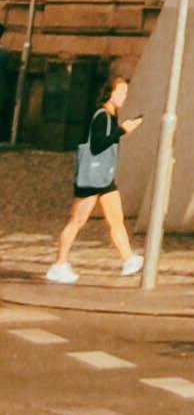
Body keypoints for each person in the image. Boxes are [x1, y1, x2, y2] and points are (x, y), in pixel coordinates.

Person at [47, 67, 139, 285]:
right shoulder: (102, 115)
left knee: (116, 218)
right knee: (77, 221)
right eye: (120, 93)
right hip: (92, 179)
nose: (123, 97)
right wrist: (124, 130)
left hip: (103, 178)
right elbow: (98, 143)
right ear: (109, 93)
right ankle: (58, 264)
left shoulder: (109, 116)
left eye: (125, 93)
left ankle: (128, 259)